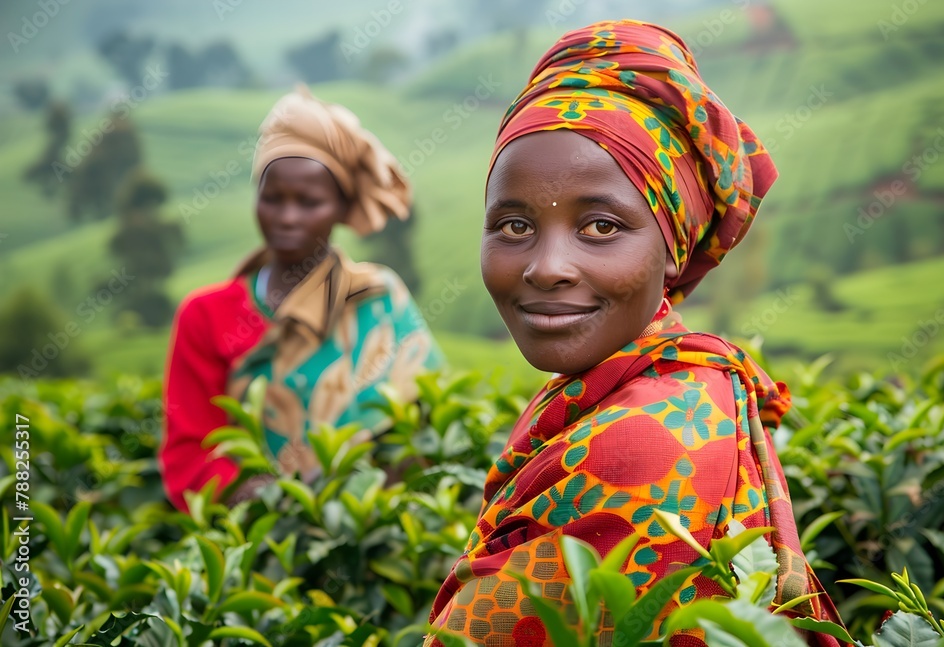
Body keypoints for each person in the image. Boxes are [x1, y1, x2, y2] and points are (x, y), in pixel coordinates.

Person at [426, 20, 844, 646]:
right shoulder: (647, 387)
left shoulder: (636, 449)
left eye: (600, 226)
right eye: (513, 226)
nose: (546, 267)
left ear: (673, 248)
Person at [160, 86, 444, 511]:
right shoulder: (207, 315)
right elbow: (189, 454)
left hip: (372, 531)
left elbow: (426, 423)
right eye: (272, 198)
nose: (287, 217)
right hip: (256, 544)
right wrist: (273, 502)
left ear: (340, 207)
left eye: (309, 202)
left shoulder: (377, 299)